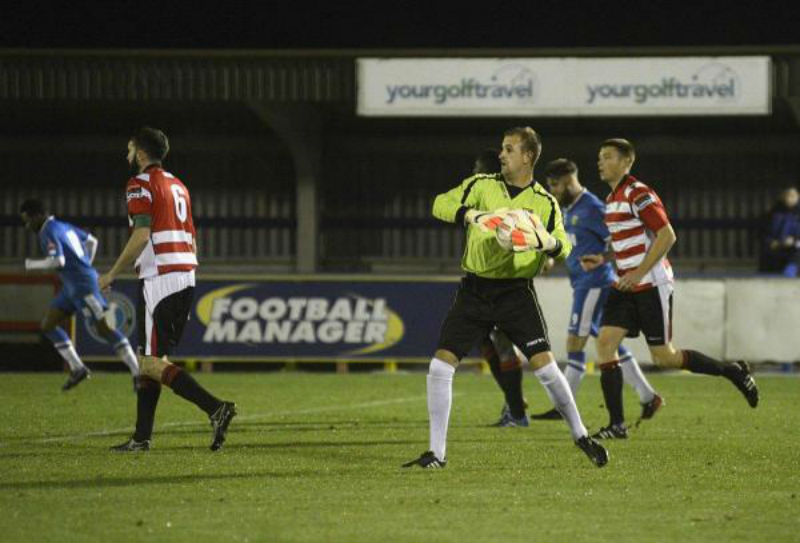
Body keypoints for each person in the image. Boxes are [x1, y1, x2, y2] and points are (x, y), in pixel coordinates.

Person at [402, 127, 608, 469]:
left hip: (516, 294)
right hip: (475, 289)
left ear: (527, 156)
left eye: (509, 149)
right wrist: (471, 215)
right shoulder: (482, 186)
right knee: (441, 364)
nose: (501, 154)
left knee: (545, 368)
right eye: (502, 148)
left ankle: (581, 435)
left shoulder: (544, 202)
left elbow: (563, 243)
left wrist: (544, 243)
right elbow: (440, 203)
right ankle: (436, 454)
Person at [583, 138, 759, 439]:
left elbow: (667, 235)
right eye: (600, 157)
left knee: (664, 357)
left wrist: (638, 273)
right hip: (625, 284)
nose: (600, 162)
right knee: (605, 344)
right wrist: (604, 257)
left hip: (651, 284)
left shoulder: (638, 193)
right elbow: (629, 242)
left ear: (627, 162)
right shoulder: (612, 199)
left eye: (608, 156)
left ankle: (732, 371)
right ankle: (616, 425)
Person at [99, 127, 236, 452]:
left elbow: (142, 234)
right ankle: (141, 437)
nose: (127, 155)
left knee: (147, 362)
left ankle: (216, 408)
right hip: (185, 273)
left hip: (160, 277)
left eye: (130, 149)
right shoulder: (178, 185)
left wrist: (112, 273)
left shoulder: (139, 185)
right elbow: (191, 233)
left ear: (142, 153)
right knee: (153, 358)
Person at [528, 159, 664, 429]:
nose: (552, 190)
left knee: (574, 342)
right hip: (584, 282)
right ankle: (648, 395)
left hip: (594, 283)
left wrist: (603, 257)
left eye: (555, 185)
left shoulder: (592, 207)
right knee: (607, 343)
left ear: (568, 181)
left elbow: (620, 238)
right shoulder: (568, 208)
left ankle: (562, 405)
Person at [20, 199, 140, 391]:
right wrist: (86, 265)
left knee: (105, 329)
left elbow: (58, 261)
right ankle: (77, 368)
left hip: (82, 286)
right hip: (72, 287)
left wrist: (31, 265)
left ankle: (137, 373)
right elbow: (92, 241)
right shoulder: (62, 225)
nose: (27, 226)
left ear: (38, 216)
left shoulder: (47, 231)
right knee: (48, 325)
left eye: (28, 220)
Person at [471, 148, 530, 427]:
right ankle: (514, 401)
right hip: (481, 283)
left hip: (504, 284)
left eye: (476, 170)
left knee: (505, 346)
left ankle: (517, 412)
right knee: (485, 342)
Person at [759, 187, 800, 277]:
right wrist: (771, 242)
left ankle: (791, 271)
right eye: (788, 195)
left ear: (798, 197)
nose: (790, 198)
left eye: (793, 196)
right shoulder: (774, 213)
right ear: (783, 197)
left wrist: (794, 241)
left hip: (795, 248)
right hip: (777, 246)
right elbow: (763, 232)